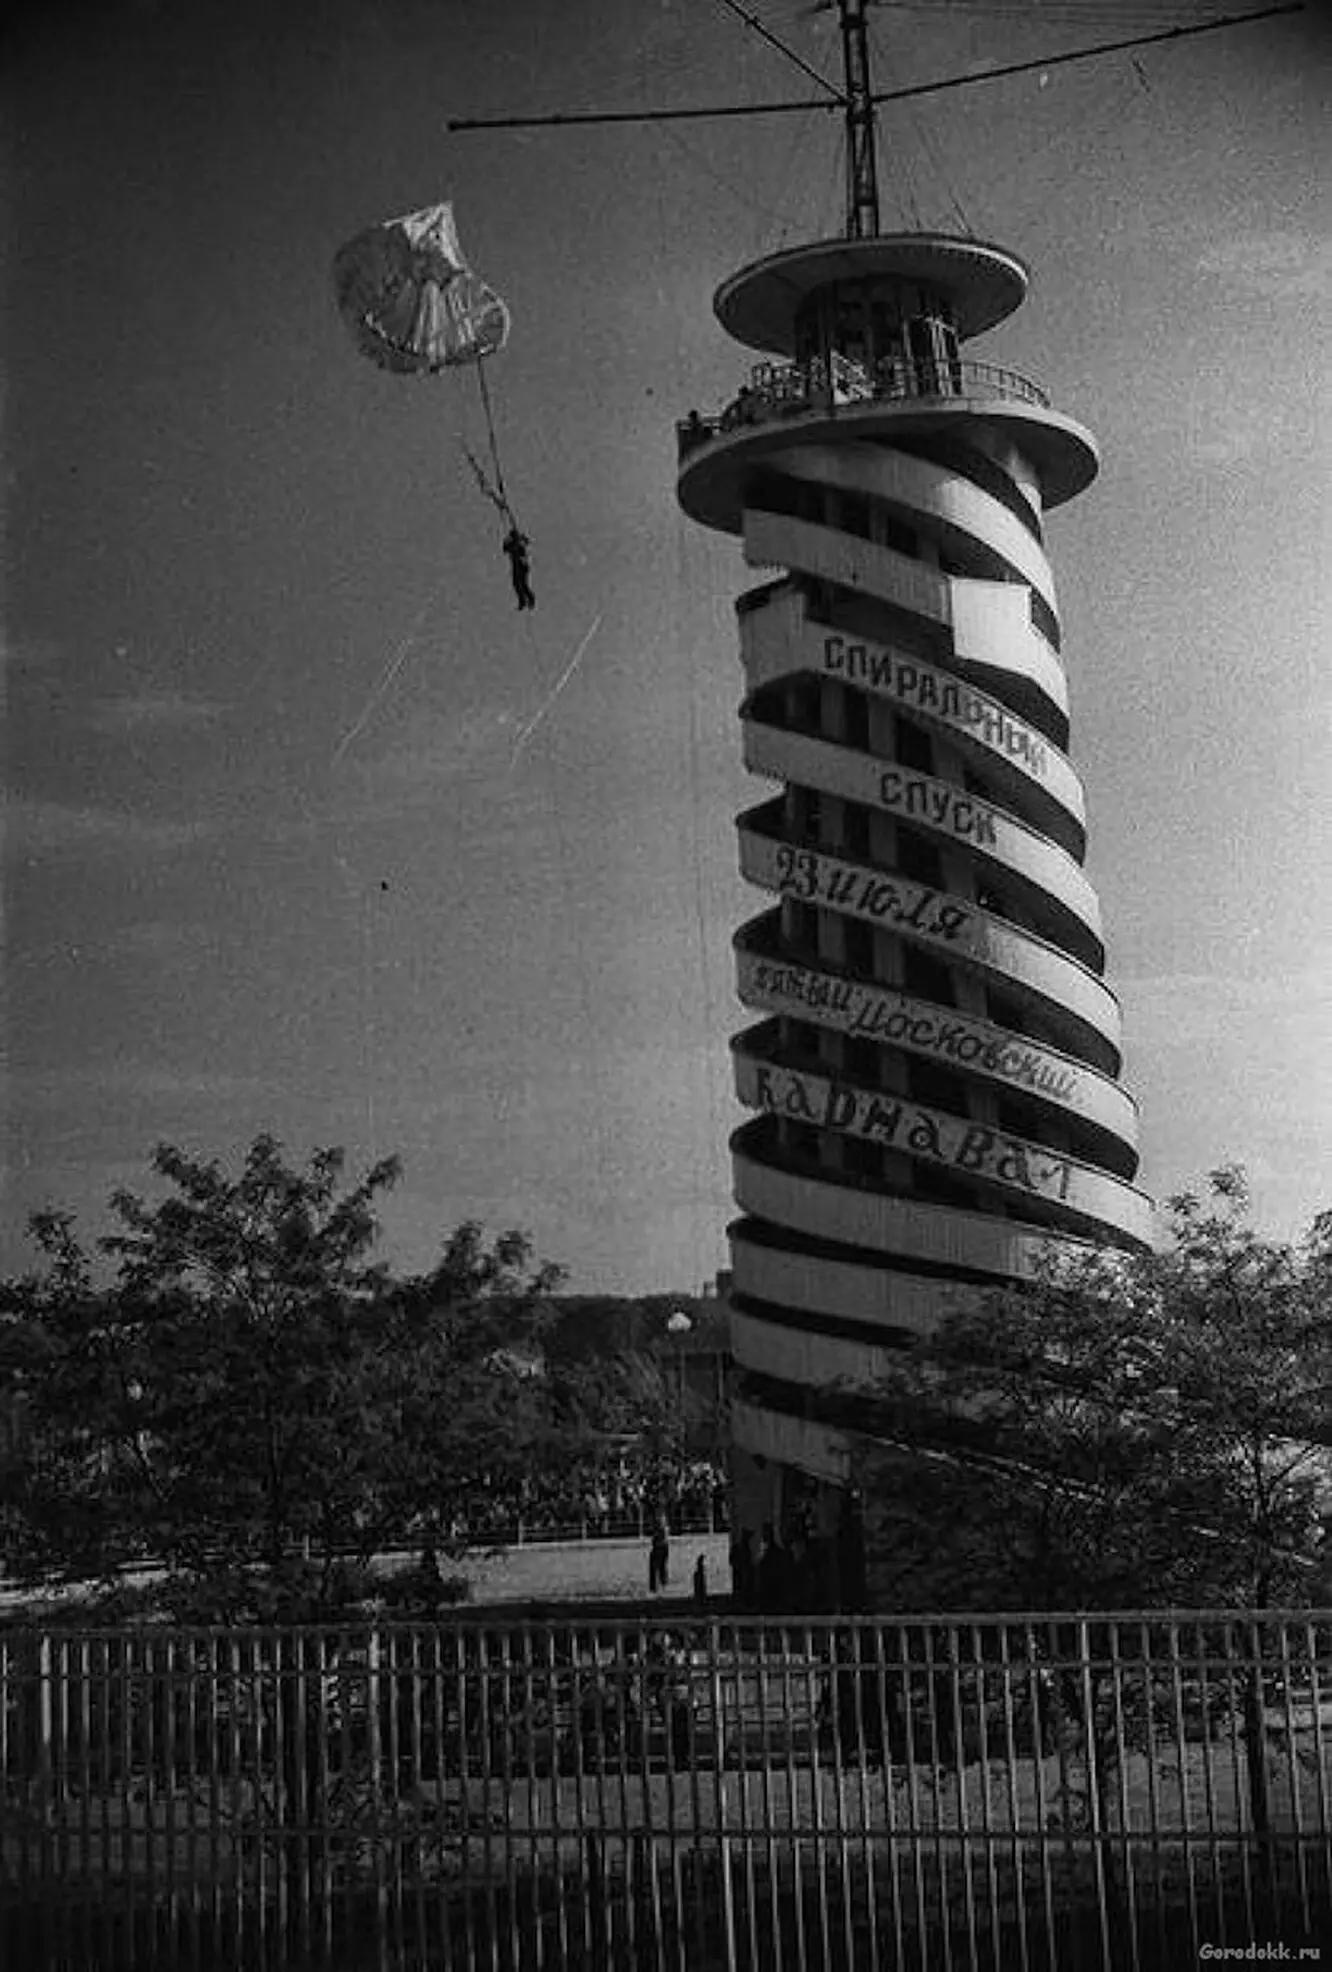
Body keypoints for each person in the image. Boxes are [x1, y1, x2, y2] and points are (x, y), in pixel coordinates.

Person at [502, 524, 535, 610]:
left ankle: (530, 600)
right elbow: (505, 549)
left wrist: (520, 541)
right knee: (517, 584)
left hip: (521, 565)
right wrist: (506, 543)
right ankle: (523, 601)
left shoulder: (520, 543)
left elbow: (525, 542)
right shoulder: (513, 543)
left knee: (523, 584)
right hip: (516, 565)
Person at [649, 1518, 670, 1594]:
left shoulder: (662, 1529)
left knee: (660, 1568)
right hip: (661, 1548)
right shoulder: (662, 1529)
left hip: (660, 1549)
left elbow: (661, 1539)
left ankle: (658, 1586)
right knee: (660, 1568)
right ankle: (658, 1586)